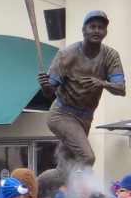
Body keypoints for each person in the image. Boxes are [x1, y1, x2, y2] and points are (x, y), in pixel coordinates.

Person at [38, 12, 126, 170]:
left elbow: (121, 88)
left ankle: (33, 189)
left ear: (106, 32)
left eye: (101, 27)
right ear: (83, 30)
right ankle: (81, 194)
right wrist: (45, 85)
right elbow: (49, 92)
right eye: (92, 27)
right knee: (87, 156)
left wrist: (101, 83)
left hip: (85, 117)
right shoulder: (66, 55)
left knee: (62, 173)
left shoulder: (110, 55)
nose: (97, 31)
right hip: (62, 114)